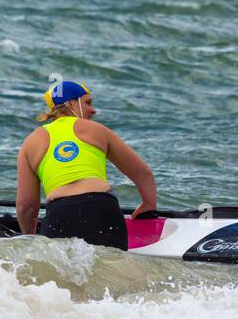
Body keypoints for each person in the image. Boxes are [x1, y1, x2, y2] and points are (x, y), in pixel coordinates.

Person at [15, 80, 156, 249]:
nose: (93, 110)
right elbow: (142, 172)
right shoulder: (96, 129)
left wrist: (30, 237)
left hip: (59, 214)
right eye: (87, 103)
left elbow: (26, 206)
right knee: (111, 270)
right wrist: (148, 205)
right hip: (101, 209)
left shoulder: (30, 142)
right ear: (70, 103)